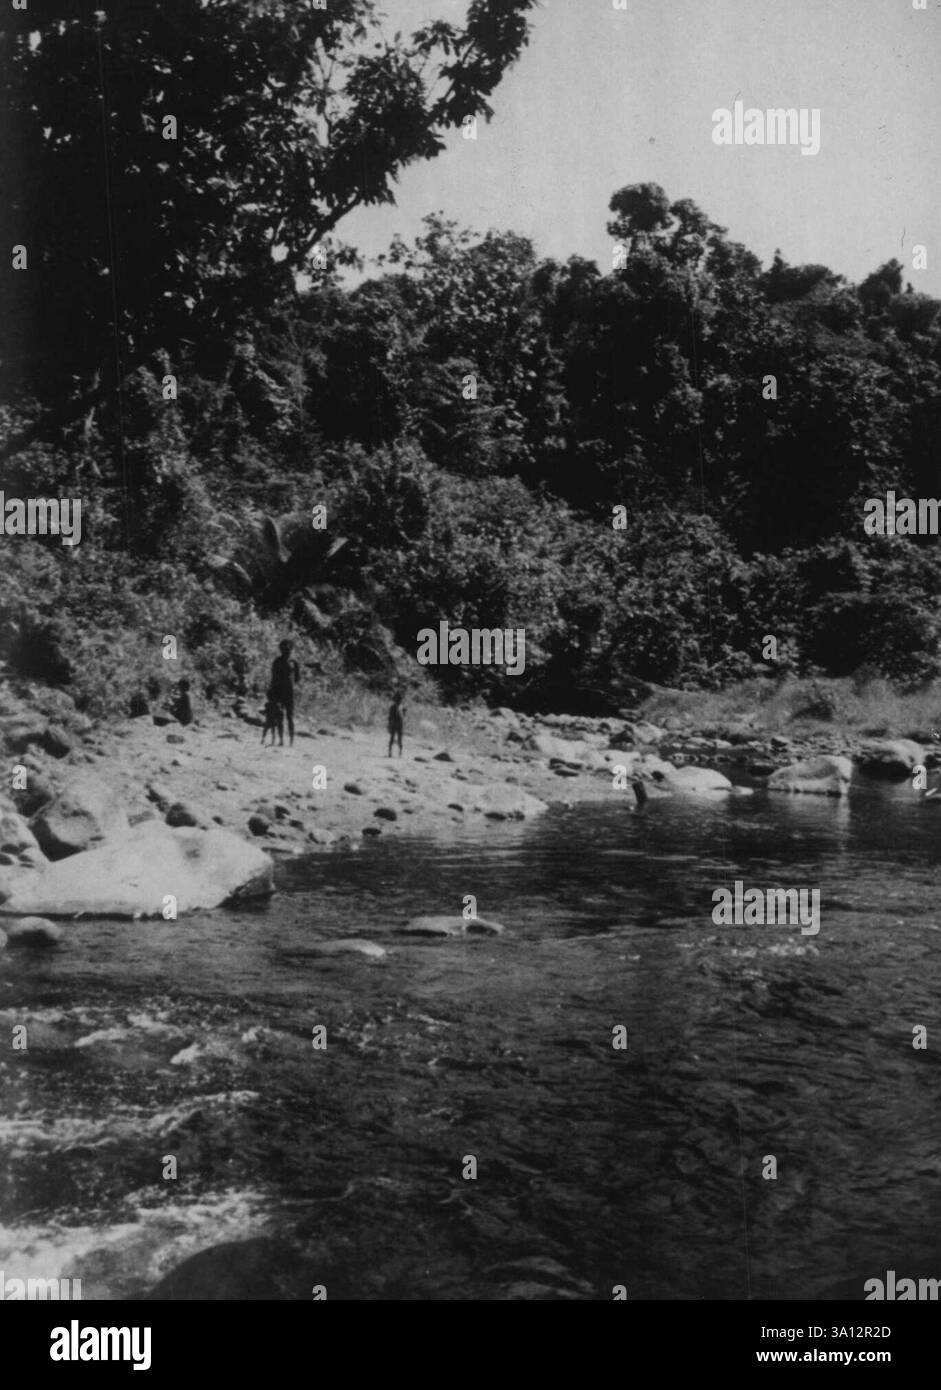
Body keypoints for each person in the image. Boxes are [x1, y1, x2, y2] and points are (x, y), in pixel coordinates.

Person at [269, 639, 300, 747]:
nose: (286, 650)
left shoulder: (292, 662)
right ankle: (283, 740)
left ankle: (289, 740)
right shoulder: (285, 661)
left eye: (288, 648)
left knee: (288, 716)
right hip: (281, 691)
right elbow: (296, 679)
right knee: (281, 716)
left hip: (286, 691)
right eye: (284, 648)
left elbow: (297, 678)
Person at [387, 689, 405, 758]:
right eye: (396, 699)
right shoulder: (393, 707)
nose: (397, 700)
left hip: (399, 724)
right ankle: (390, 752)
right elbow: (390, 717)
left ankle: (400, 753)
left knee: (399, 739)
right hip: (394, 724)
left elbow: (403, 716)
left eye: (399, 699)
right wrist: (389, 725)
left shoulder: (402, 707)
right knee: (392, 738)